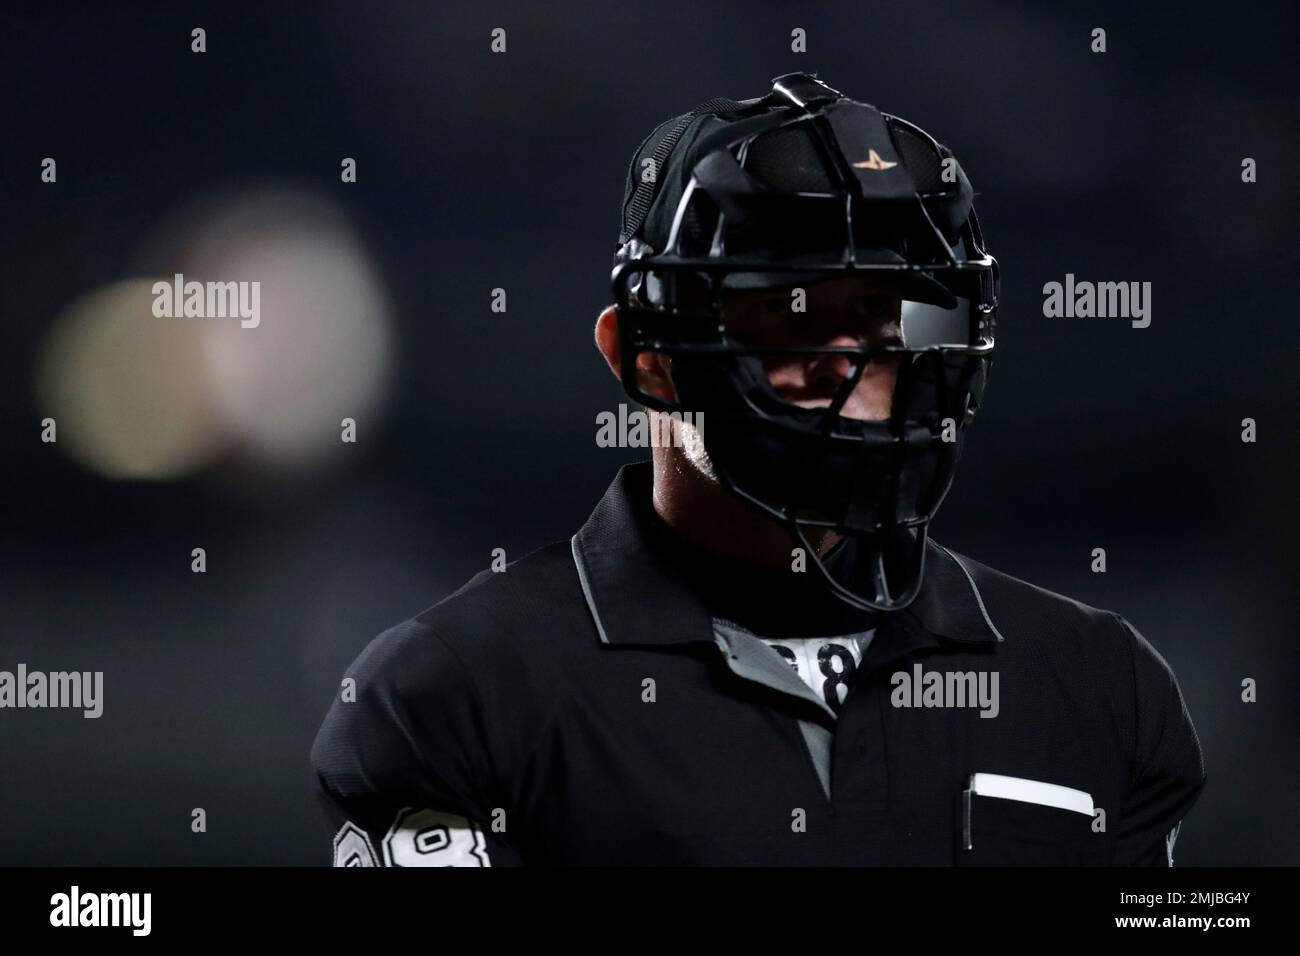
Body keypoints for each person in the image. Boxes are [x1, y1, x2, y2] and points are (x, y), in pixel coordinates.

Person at [312, 72, 1205, 866]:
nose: (852, 367)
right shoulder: (453, 698)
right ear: (644, 355)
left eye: (898, 316)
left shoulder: (1099, 686)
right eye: (792, 314)